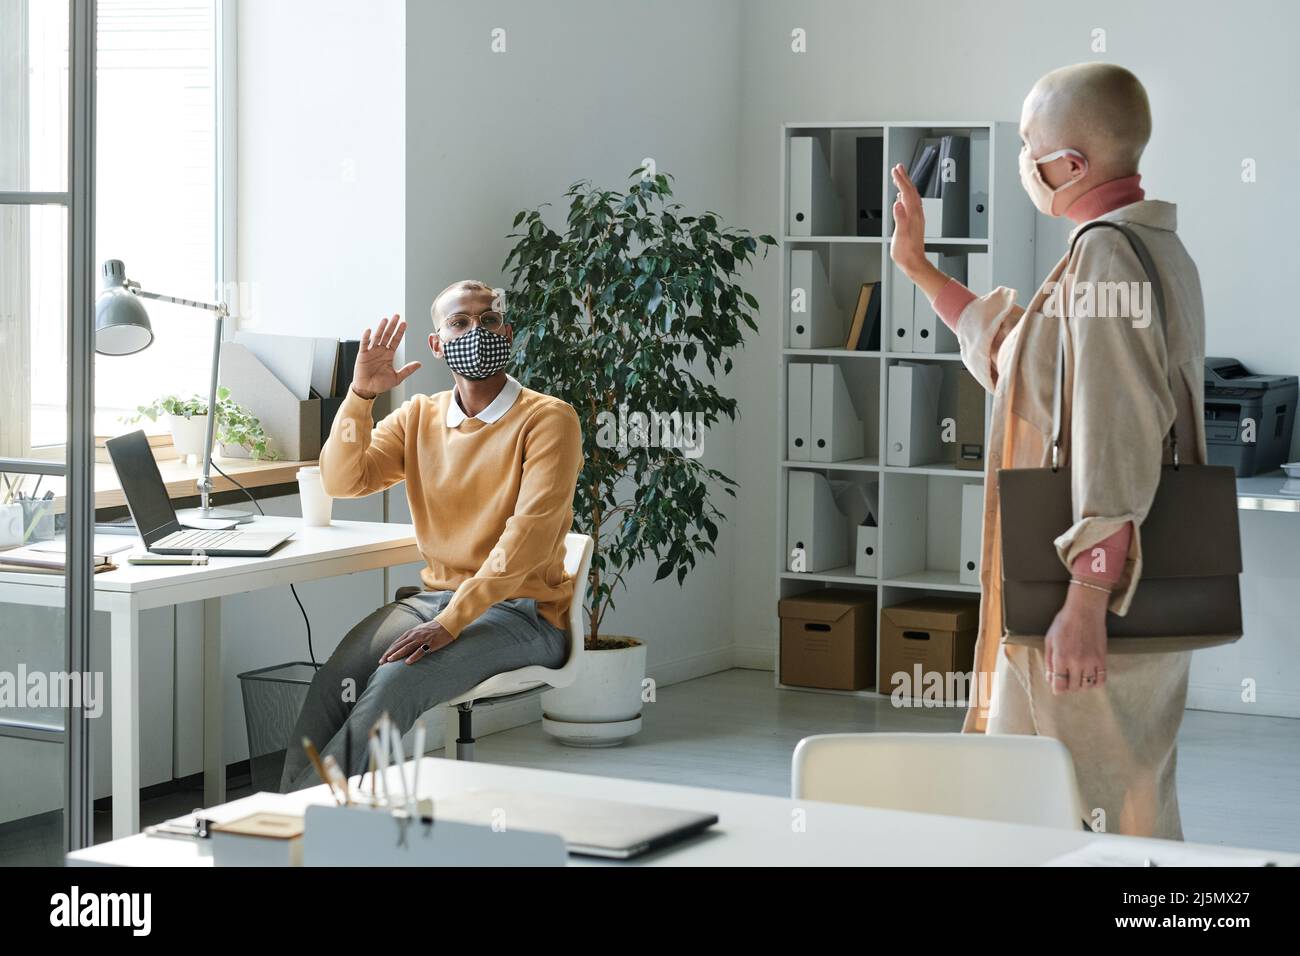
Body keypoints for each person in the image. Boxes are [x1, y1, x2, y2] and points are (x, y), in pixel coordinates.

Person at [889, 63, 1207, 838]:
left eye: (1030, 143)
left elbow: (1117, 433)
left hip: (1086, 603)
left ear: (1069, 164)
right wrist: (920, 269)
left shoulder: (1107, 258)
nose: (1023, 159)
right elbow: (1020, 360)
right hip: (1092, 601)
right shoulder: (1151, 252)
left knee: (1093, 823)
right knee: (1071, 811)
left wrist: (1087, 602)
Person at [279, 280, 583, 792]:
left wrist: (453, 620)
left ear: (506, 332)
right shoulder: (419, 415)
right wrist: (360, 397)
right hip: (433, 601)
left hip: (523, 612)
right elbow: (342, 480)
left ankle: (309, 816)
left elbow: (527, 538)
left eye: (488, 320)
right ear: (438, 343)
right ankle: (286, 814)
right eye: (460, 323)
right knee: (335, 679)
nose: (476, 331)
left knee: (398, 681)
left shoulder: (548, 419)